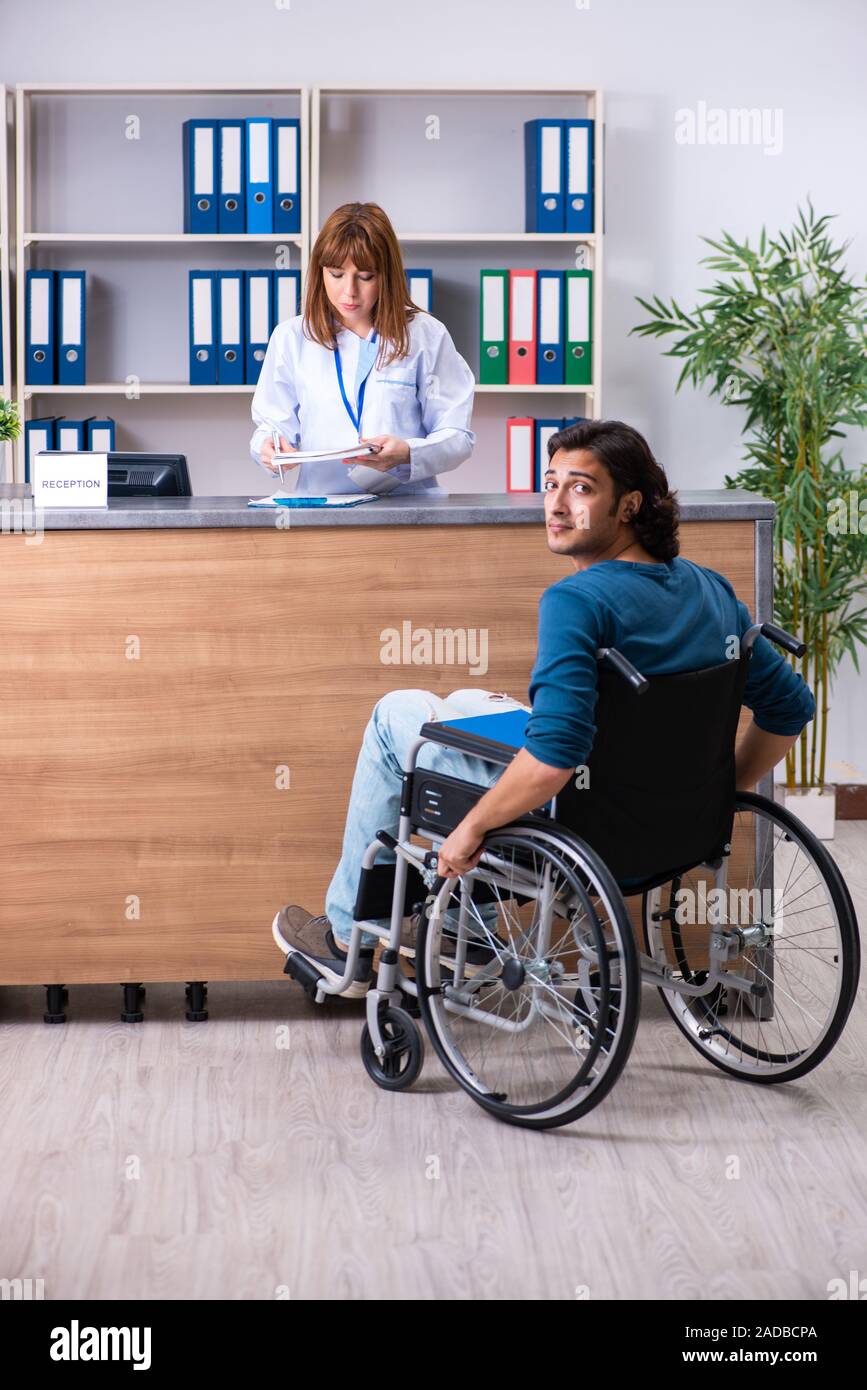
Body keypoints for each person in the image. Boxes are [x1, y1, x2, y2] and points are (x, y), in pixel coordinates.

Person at [276, 419, 816, 996]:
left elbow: (557, 756)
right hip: (672, 828)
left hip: (577, 819)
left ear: (629, 505)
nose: (555, 505)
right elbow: (790, 708)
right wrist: (713, 792)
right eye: (550, 483)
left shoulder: (577, 602)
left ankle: (347, 937)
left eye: (580, 488)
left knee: (396, 715)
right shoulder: (711, 590)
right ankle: (457, 925)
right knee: (458, 703)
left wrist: (470, 831)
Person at [250, 201, 475, 496]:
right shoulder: (292, 337)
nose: (349, 292)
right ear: (320, 272)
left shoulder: (425, 335)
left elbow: (457, 437)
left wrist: (408, 452)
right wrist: (268, 446)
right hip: (320, 506)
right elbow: (270, 425)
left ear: (387, 275)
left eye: (365, 276)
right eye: (336, 274)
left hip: (407, 510)